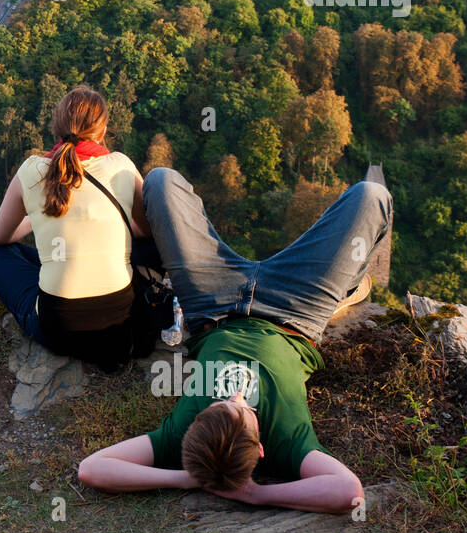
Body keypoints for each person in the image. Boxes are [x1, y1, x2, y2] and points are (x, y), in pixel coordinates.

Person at [78, 167, 391, 513]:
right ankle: (344, 288)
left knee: (160, 181)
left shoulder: (185, 437)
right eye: (241, 409)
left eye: (220, 402)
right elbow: (349, 492)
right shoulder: (287, 440)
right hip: (295, 309)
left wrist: (186, 477)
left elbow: (92, 469)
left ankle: (340, 285)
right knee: (371, 197)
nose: (236, 393)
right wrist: (256, 495)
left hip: (211, 303)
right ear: (260, 449)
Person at [0, 86, 150, 369]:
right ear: (103, 129)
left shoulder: (31, 170)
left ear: (55, 128)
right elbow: (147, 232)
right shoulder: (122, 166)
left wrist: (36, 217)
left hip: (60, 331)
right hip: (119, 327)